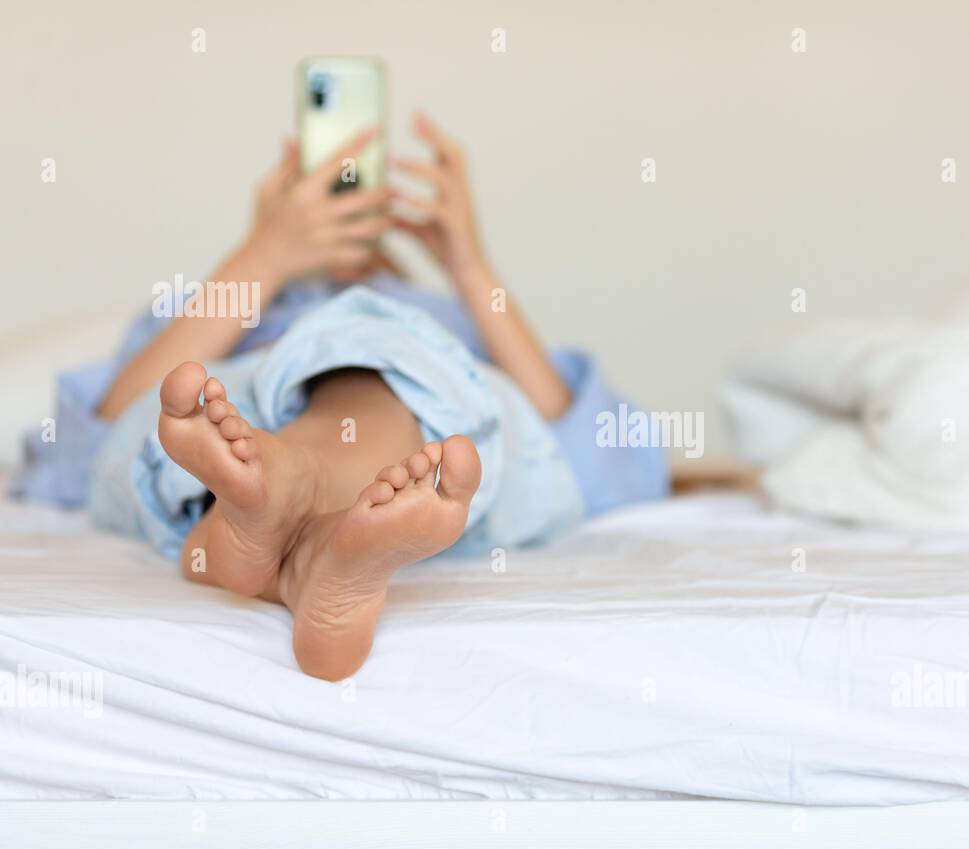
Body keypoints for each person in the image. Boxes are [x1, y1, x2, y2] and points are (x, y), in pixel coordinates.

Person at [13, 113, 668, 681]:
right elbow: (83, 453)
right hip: (237, 405)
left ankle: (265, 520)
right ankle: (310, 537)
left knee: (377, 354)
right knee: (209, 405)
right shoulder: (235, 315)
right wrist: (262, 259)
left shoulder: (442, 320)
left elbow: (598, 453)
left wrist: (469, 266)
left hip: (426, 421)